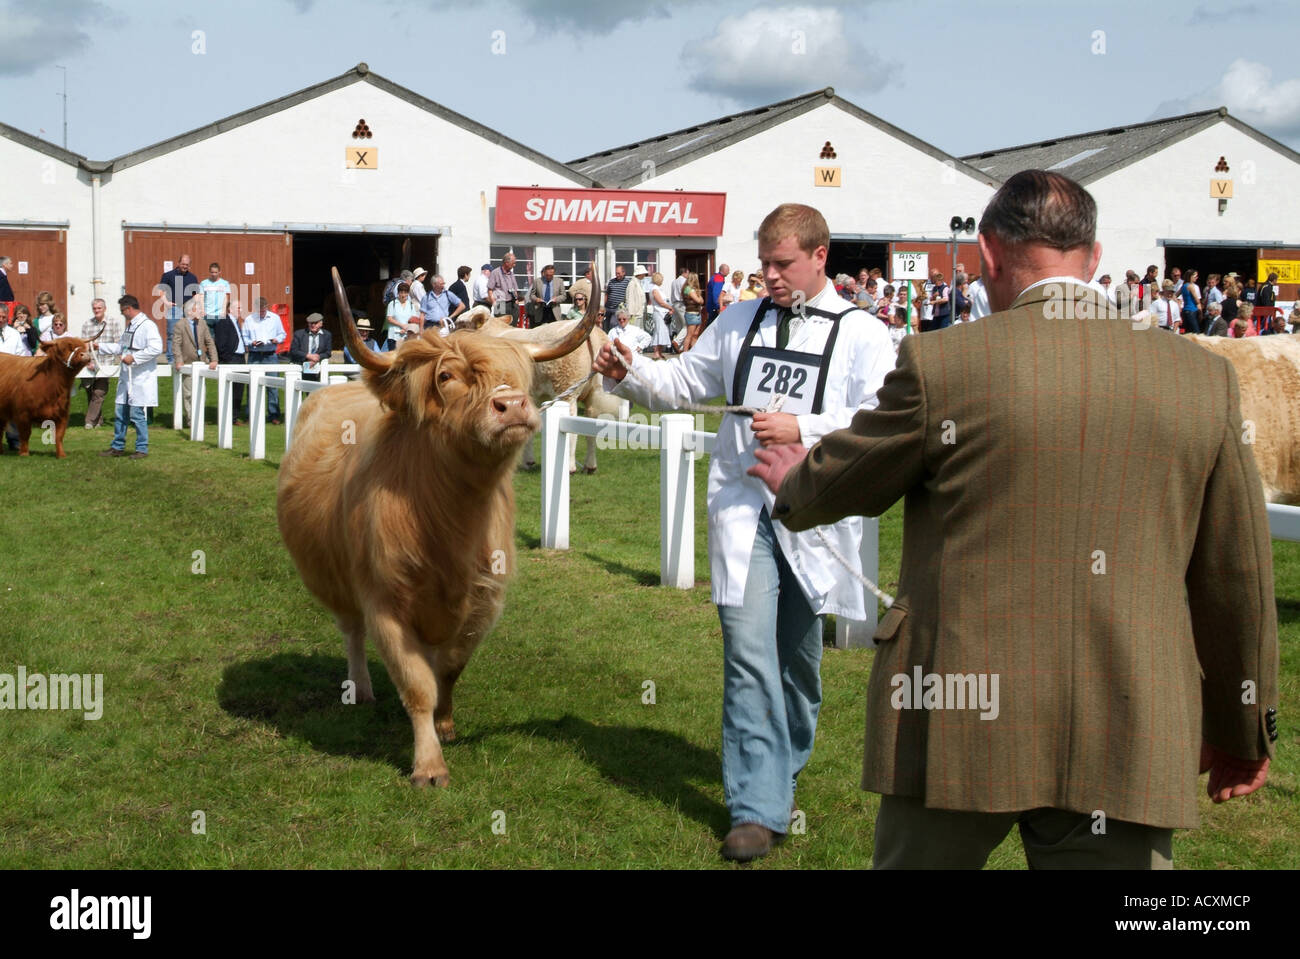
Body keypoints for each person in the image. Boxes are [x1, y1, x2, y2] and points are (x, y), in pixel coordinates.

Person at [749, 169, 1279, 869]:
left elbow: (844, 479)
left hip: (954, 720)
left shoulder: (945, 363)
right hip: (1126, 727)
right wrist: (1244, 725)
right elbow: (1237, 573)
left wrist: (797, 481)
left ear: (987, 256)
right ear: (1092, 258)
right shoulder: (1201, 378)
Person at [593, 202, 897, 863]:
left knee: (797, 660)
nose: (770, 275)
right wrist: (633, 372)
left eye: (782, 263)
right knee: (748, 648)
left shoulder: (865, 335)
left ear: (821, 257)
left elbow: (878, 417)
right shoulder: (738, 320)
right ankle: (756, 807)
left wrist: (803, 429)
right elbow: (685, 382)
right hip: (743, 508)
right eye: (763, 262)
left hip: (813, 515)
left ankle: (782, 769)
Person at [99, 294, 163, 459]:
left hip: (140, 377)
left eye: (122, 311)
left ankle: (142, 448)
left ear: (128, 309)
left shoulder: (148, 325)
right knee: (120, 412)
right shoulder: (130, 327)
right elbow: (121, 347)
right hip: (127, 378)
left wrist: (134, 358)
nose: (122, 314)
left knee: (137, 414)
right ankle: (117, 446)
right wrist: (98, 346)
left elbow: (156, 348)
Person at [171, 298, 220, 426]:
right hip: (187, 363)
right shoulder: (180, 325)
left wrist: (214, 359)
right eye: (199, 309)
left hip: (201, 363)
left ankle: (198, 417)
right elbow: (176, 345)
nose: (201, 311)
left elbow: (209, 342)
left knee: (200, 393)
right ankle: (191, 420)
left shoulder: (202, 324)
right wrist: (179, 361)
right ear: (191, 311)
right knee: (188, 394)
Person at [242, 297, 286, 423]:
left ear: (267, 307)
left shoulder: (275, 318)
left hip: (270, 355)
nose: (261, 312)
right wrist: (252, 342)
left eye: (263, 310)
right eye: (259, 310)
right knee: (252, 385)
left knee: (273, 385)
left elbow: (282, 334)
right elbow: (244, 336)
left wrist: (277, 339)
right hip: (255, 355)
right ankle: (251, 415)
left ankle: (274, 415)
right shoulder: (249, 319)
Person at [79, 299, 120, 429]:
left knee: (99, 392)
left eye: (99, 308)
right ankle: (98, 420)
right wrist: (88, 362)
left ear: (104, 309)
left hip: (105, 363)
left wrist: (121, 359)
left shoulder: (113, 323)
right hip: (89, 362)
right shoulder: (87, 324)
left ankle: (89, 421)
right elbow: (84, 346)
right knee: (89, 391)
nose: (96, 310)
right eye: (94, 308)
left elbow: (119, 344)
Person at [159, 253, 200, 363]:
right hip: (174, 308)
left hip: (188, 310)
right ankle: (171, 359)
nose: (184, 266)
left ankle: (186, 358)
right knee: (172, 334)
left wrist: (196, 307)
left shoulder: (192, 277)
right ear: (178, 263)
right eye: (183, 264)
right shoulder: (168, 275)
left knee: (187, 335)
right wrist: (166, 302)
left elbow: (196, 294)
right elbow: (161, 291)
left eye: (187, 264)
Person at [212, 299, 248, 424]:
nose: (241, 311)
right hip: (231, 359)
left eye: (241, 308)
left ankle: (234, 417)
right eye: (238, 308)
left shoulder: (237, 323)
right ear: (230, 309)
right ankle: (226, 417)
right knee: (229, 390)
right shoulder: (223, 322)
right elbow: (220, 344)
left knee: (239, 389)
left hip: (240, 358)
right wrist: (227, 358)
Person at [289, 312, 333, 380]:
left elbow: (328, 352)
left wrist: (317, 358)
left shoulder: (327, 335)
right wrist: (308, 356)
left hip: (318, 366)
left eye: (315, 323)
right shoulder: (299, 334)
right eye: (310, 323)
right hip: (300, 365)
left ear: (321, 323)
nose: (313, 325)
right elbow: (293, 351)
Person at [385, 282, 420, 349]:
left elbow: (413, 320)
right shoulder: (392, 304)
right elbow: (389, 318)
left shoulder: (411, 305)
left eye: (405, 292)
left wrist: (406, 328)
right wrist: (402, 325)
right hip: (394, 336)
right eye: (401, 292)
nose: (403, 295)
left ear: (408, 293)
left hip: (407, 336)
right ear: (398, 293)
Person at [647, 271, 673, 360]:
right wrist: (670, 307)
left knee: (663, 332)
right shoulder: (655, 289)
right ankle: (656, 352)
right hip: (658, 313)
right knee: (659, 332)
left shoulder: (658, 289)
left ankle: (660, 352)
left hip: (663, 313)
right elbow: (660, 302)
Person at [200, 262, 231, 333]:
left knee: (220, 337)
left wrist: (223, 311)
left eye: (215, 272)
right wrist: (202, 310)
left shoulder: (225, 283)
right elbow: (201, 297)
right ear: (209, 271)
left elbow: (226, 298)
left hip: (219, 315)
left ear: (219, 272)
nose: (214, 274)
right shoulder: (204, 283)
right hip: (208, 314)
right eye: (212, 272)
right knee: (209, 338)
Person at [488, 253, 520, 322]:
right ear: (506, 263)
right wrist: (494, 303)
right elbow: (490, 289)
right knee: (501, 325)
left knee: (513, 326)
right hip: (500, 304)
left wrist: (516, 299)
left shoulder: (511, 273)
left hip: (512, 302)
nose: (514, 265)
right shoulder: (495, 273)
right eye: (513, 263)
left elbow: (515, 288)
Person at [681, 272, 704, 352]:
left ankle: (694, 352)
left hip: (697, 313)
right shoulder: (688, 289)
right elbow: (699, 300)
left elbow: (702, 300)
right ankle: (685, 352)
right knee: (689, 335)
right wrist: (699, 298)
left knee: (695, 334)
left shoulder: (694, 290)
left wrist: (699, 298)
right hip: (691, 313)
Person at [603, 264, 631, 332]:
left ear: (623, 273)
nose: (617, 275)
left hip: (617, 308)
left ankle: (613, 339)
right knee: (605, 324)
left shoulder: (628, 282)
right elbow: (607, 293)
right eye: (616, 273)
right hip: (608, 307)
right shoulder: (611, 281)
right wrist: (603, 305)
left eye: (619, 273)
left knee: (613, 324)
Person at [1180, 269, 1202, 335]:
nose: (1196, 278)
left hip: (1185, 310)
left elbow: (1175, 295)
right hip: (1192, 310)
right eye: (1195, 277)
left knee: (1187, 331)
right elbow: (1197, 300)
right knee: (1196, 331)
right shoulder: (1191, 286)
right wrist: (1200, 312)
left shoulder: (1183, 286)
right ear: (1191, 277)